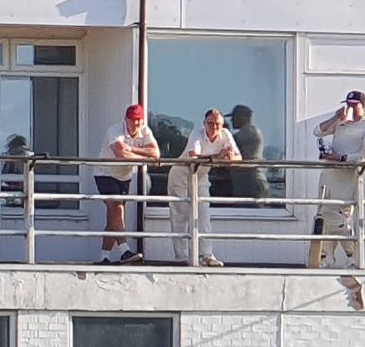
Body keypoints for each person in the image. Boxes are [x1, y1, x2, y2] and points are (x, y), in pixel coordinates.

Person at [314, 90, 365, 268]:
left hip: (347, 177)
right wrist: (335, 117)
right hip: (328, 176)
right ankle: (327, 258)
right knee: (325, 217)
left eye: (354, 104)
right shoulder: (341, 122)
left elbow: (363, 156)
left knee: (338, 217)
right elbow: (317, 132)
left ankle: (354, 256)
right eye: (348, 104)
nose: (350, 107)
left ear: (363, 105)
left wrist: (339, 158)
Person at [166, 108, 241, 266]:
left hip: (200, 177)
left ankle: (206, 255)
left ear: (222, 125)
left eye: (218, 124)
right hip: (181, 175)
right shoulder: (197, 133)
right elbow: (194, 156)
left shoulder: (225, 134)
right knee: (181, 216)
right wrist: (218, 157)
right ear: (204, 124)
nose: (214, 127)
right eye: (210, 123)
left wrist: (229, 156)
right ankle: (182, 257)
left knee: (204, 214)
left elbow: (238, 158)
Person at [93, 103, 160, 263]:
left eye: (138, 120)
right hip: (105, 174)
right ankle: (125, 251)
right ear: (126, 119)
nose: (135, 124)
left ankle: (104, 257)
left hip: (124, 176)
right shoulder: (115, 130)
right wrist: (145, 158)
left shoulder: (145, 131)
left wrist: (131, 149)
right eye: (132, 120)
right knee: (117, 209)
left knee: (113, 218)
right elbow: (120, 154)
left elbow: (156, 153)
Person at [227, 104, 268, 201]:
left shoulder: (251, 131)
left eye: (234, 117)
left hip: (251, 182)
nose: (232, 120)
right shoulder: (249, 131)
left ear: (245, 118)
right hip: (244, 182)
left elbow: (231, 141)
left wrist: (224, 131)